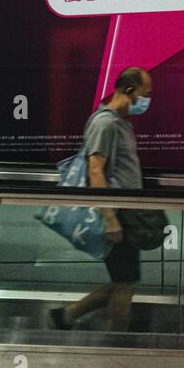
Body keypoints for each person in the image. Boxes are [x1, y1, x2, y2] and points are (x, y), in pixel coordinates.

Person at [50, 66, 152, 333]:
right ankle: (119, 342)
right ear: (129, 91)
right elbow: (96, 169)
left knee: (125, 279)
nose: (147, 100)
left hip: (125, 212)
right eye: (145, 93)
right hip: (116, 214)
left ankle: (68, 315)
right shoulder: (104, 123)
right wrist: (110, 219)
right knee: (125, 282)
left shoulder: (121, 122)